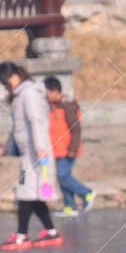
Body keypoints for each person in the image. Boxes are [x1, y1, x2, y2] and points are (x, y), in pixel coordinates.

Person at [0, 62, 61, 251]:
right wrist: (8, 147)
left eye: (6, 82)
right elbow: (18, 125)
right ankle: (51, 231)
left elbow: (36, 121)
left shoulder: (29, 93)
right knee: (34, 194)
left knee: (25, 193)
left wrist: (40, 148)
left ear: (15, 76)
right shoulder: (21, 95)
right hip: (28, 152)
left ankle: (21, 236)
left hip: (35, 153)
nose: (7, 86)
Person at [44, 76, 93, 216]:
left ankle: (87, 193)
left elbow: (76, 129)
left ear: (54, 91)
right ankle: (69, 206)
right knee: (63, 176)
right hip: (57, 150)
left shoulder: (68, 106)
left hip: (68, 149)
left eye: (47, 92)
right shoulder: (53, 106)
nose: (45, 96)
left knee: (63, 176)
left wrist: (72, 149)